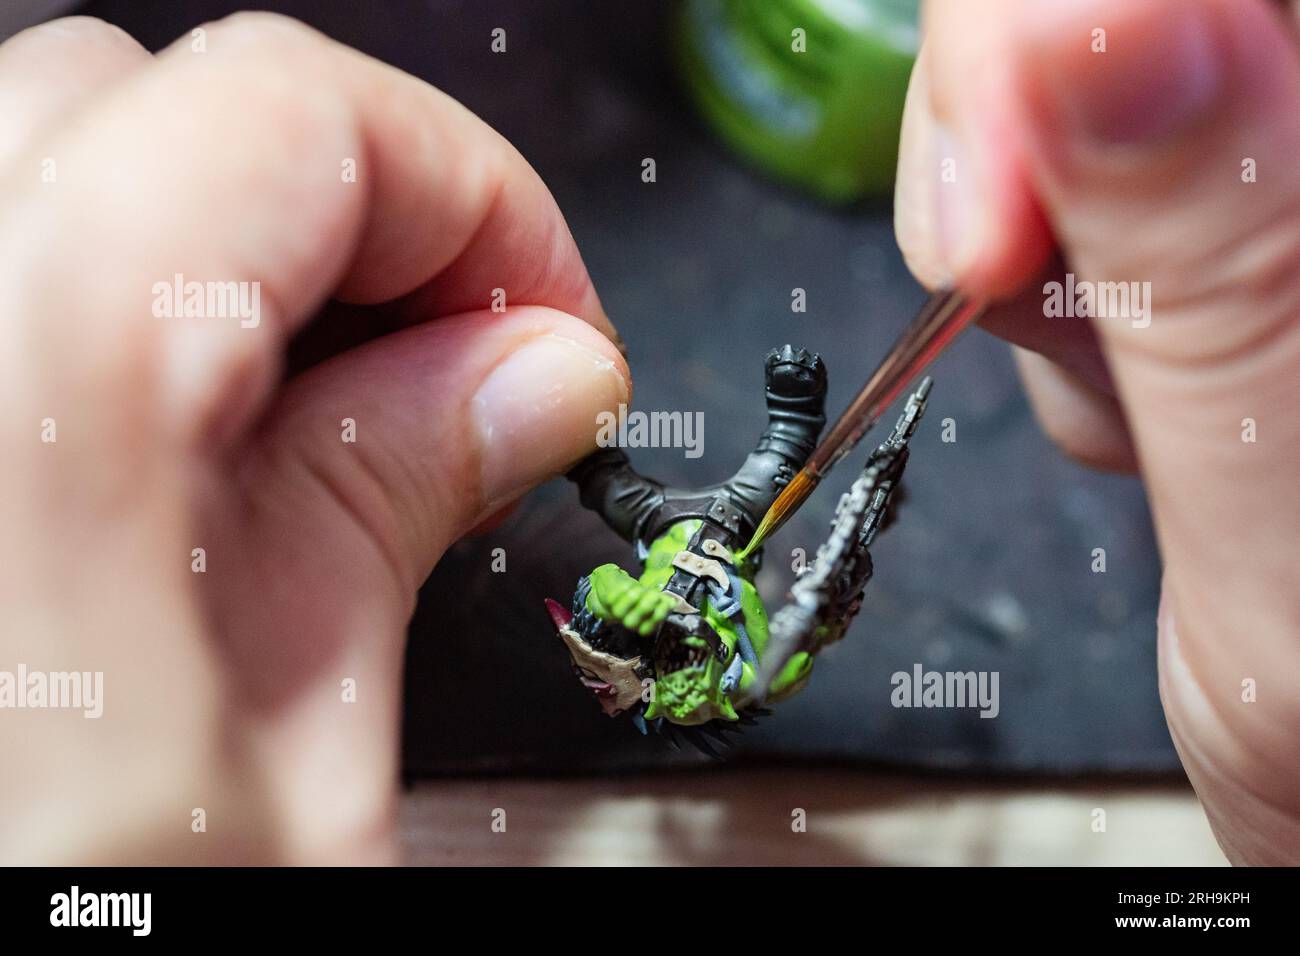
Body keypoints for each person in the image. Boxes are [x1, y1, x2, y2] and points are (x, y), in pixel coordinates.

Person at [0, 0, 1294, 865]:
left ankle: (719, 438)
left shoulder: (676, 642)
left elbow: (714, 605)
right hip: (704, 564)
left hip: (705, 559)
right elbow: (696, 619)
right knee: (704, 482)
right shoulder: (670, 655)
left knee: (728, 471)